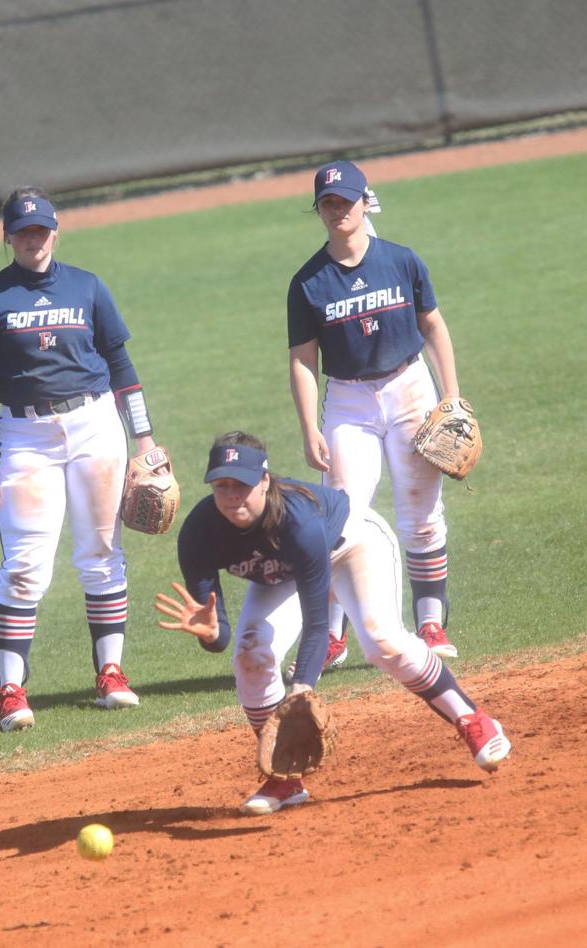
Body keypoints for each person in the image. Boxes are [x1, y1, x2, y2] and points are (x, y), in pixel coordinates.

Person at [154, 432, 510, 816]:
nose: (231, 496)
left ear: (265, 480)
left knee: (382, 642)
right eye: (221, 485)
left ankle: (473, 719)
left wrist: (302, 689)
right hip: (284, 572)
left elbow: (317, 622)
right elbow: (219, 634)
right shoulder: (199, 534)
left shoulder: (296, 521)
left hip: (351, 546)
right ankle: (285, 776)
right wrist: (213, 635)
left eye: (241, 484)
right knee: (250, 656)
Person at [0, 187, 160, 731]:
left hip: (96, 425)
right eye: (23, 232)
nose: (33, 240)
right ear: (8, 238)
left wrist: (145, 440)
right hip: (27, 436)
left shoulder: (87, 286)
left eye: (41, 230)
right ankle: (11, 691)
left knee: (102, 551)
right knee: (25, 566)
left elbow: (121, 365)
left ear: (56, 231)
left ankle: (110, 674)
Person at [288, 159, 462, 664]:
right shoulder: (308, 282)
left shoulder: (400, 261)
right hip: (348, 401)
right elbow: (303, 360)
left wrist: (450, 395)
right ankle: (332, 634)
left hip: (410, 388)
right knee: (339, 518)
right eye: (328, 202)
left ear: (366, 202)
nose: (337, 209)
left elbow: (433, 326)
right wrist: (308, 427)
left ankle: (430, 624)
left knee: (421, 511)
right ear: (319, 210)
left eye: (346, 200)